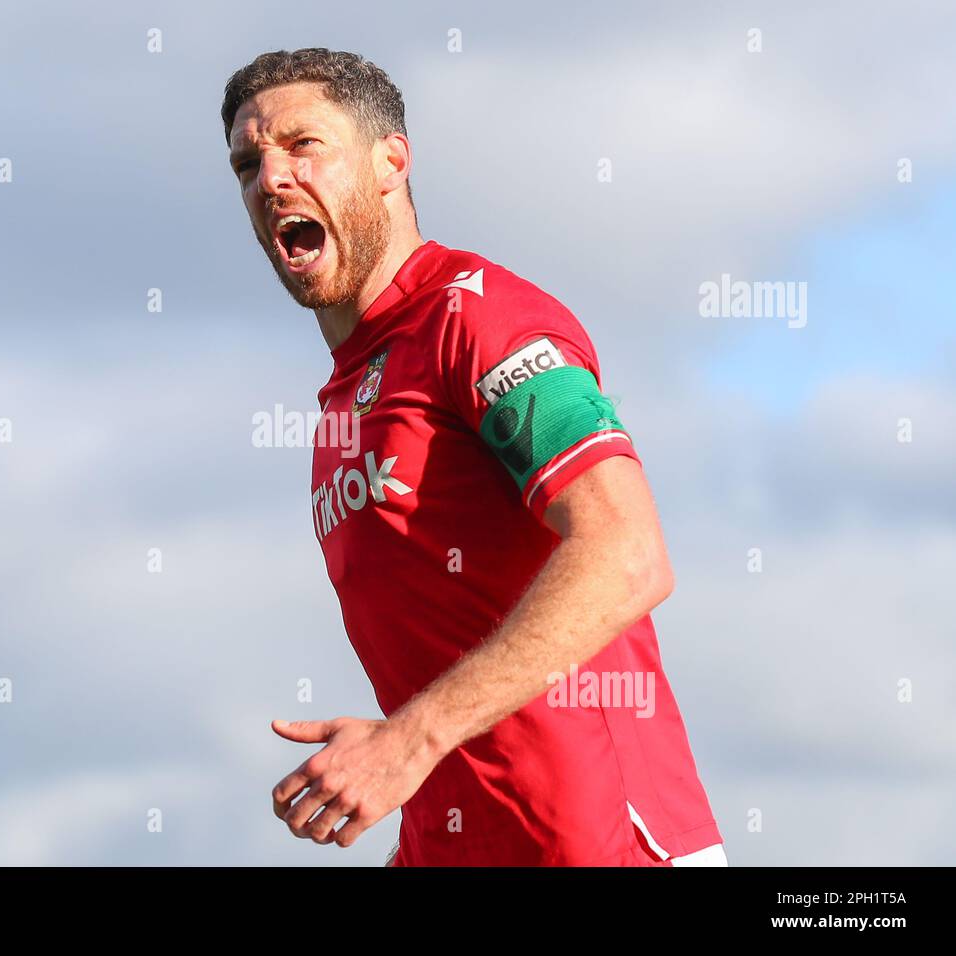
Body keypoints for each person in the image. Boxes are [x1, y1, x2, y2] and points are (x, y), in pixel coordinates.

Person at [223, 48, 725, 866]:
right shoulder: (341, 401)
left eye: (303, 145)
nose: (270, 177)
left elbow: (629, 554)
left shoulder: (482, 320)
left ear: (392, 161)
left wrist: (407, 741)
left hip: (608, 845)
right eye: (248, 162)